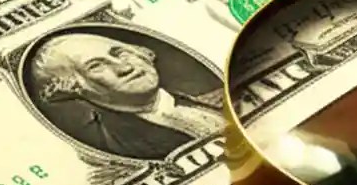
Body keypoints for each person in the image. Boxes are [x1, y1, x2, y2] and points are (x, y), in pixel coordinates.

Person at [30, 32, 225, 159]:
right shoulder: (118, 147)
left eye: (121, 54)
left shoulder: (213, 99)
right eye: (96, 66)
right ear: (70, 87)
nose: (125, 67)